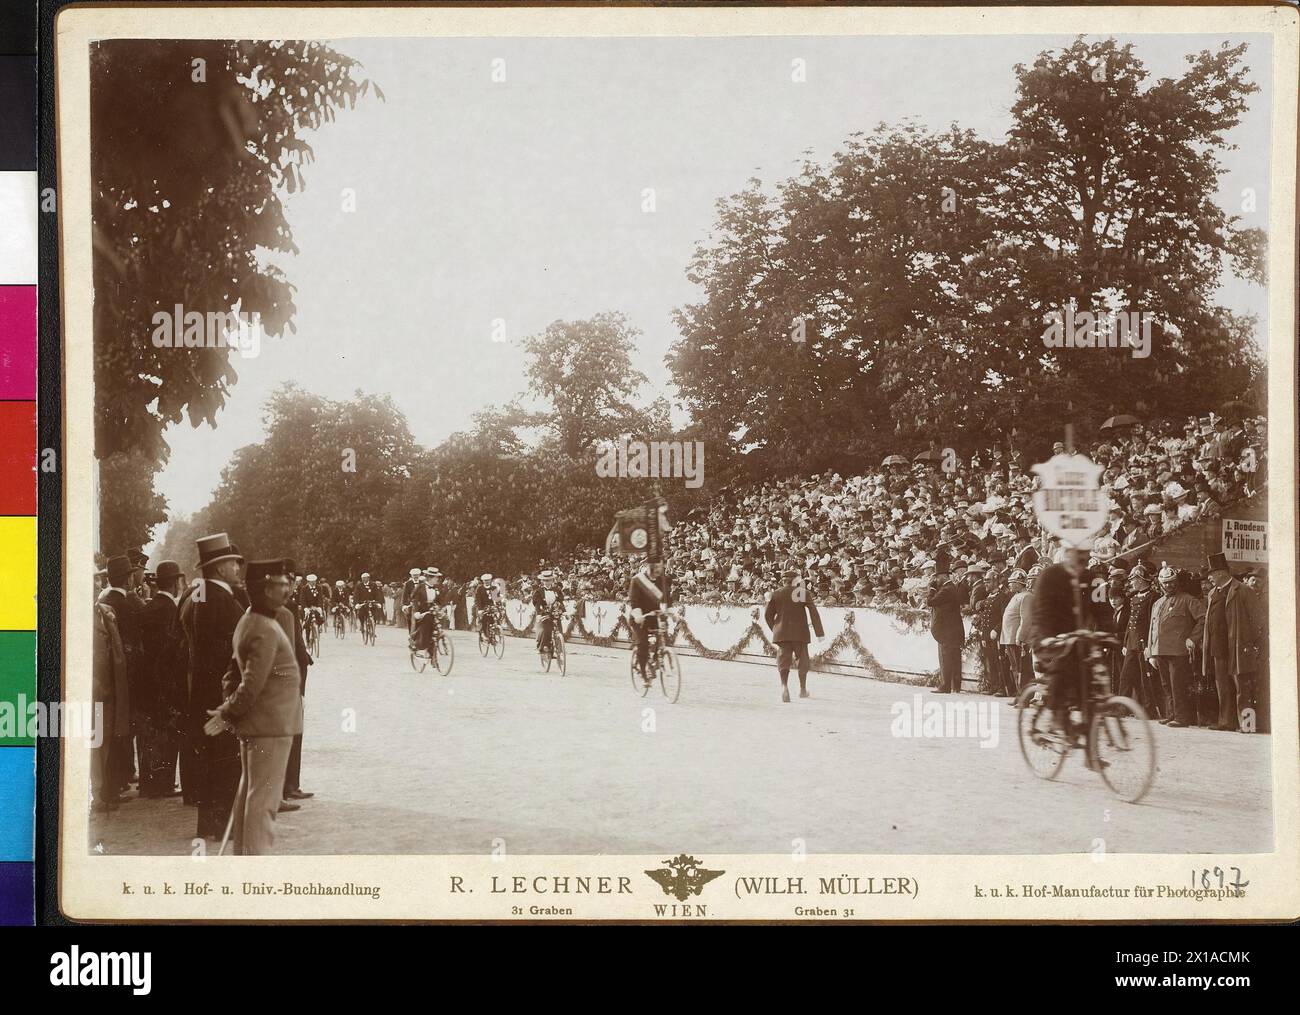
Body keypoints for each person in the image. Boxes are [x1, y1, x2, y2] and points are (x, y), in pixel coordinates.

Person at [205, 559, 304, 855]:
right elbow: (251, 682)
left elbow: (242, 679)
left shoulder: (252, 620)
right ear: (263, 589)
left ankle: (245, 862)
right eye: (280, 585)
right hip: (270, 726)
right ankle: (255, 871)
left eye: (288, 583)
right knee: (263, 805)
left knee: (251, 798)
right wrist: (228, 712)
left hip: (262, 725)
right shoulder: (264, 627)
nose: (287, 589)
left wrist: (230, 711)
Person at [179, 533, 247, 840]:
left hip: (201, 691)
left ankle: (210, 824)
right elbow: (223, 652)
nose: (237, 568)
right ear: (219, 568)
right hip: (218, 694)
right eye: (232, 563)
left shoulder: (198, 595)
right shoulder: (220, 599)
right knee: (225, 760)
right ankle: (222, 825)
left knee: (210, 760)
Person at [95, 553, 142, 801]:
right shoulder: (127, 605)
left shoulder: (104, 600)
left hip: (105, 676)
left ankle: (116, 781)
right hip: (124, 676)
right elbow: (133, 646)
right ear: (128, 579)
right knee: (120, 729)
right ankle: (115, 783)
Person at [137, 559, 185, 797]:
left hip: (145, 680)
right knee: (166, 733)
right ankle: (163, 784)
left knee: (149, 734)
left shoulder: (148, 607)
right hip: (164, 680)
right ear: (175, 583)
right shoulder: (171, 611)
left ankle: (148, 782)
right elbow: (172, 650)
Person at [1202, 552, 1264, 732]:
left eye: (1211, 574)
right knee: (1223, 687)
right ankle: (1226, 722)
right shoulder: (1213, 593)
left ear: (1221, 573)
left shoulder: (1243, 590)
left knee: (1243, 688)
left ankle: (1248, 725)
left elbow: (1258, 620)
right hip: (1218, 648)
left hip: (1238, 647)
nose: (1209, 578)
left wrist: (1249, 642)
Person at [1146, 563, 1205, 728]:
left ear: (1176, 582)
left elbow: (1203, 619)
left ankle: (1182, 717)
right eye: (1165, 583)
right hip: (1160, 650)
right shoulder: (1157, 603)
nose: (1168, 585)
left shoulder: (1188, 600)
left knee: (1177, 684)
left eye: (1171, 582)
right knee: (1166, 684)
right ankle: (1171, 713)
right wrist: (1151, 652)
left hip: (1178, 651)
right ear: (1160, 584)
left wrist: (1193, 638)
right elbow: (1152, 628)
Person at [763, 567, 824, 702]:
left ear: (783, 581)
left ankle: (784, 686)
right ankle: (802, 689)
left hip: (782, 632)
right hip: (799, 632)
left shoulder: (776, 593)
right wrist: (819, 632)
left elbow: (767, 615)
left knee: (783, 659)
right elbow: (813, 612)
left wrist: (775, 629)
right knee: (802, 660)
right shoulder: (801, 593)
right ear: (795, 581)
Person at [628, 560, 672, 686]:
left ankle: (656, 659)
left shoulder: (662, 580)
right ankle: (643, 673)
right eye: (656, 566)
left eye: (660, 566)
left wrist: (671, 612)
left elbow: (667, 598)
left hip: (655, 616)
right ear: (650, 567)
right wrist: (638, 615)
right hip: (640, 618)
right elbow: (634, 601)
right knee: (643, 643)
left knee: (663, 634)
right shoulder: (637, 581)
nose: (659, 569)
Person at [532, 570, 566, 658]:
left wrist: (563, 610)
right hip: (544, 613)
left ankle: (559, 648)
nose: (547, 582)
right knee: (547, 630)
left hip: (555, 612)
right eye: (545, 580)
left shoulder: (557, 590)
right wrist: (539, 613)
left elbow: (560, 601)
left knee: (559, 630)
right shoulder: (539, 591)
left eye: (549, 580)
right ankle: (544, 647)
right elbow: (537, 604)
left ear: (552, 580)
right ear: (542, 581)